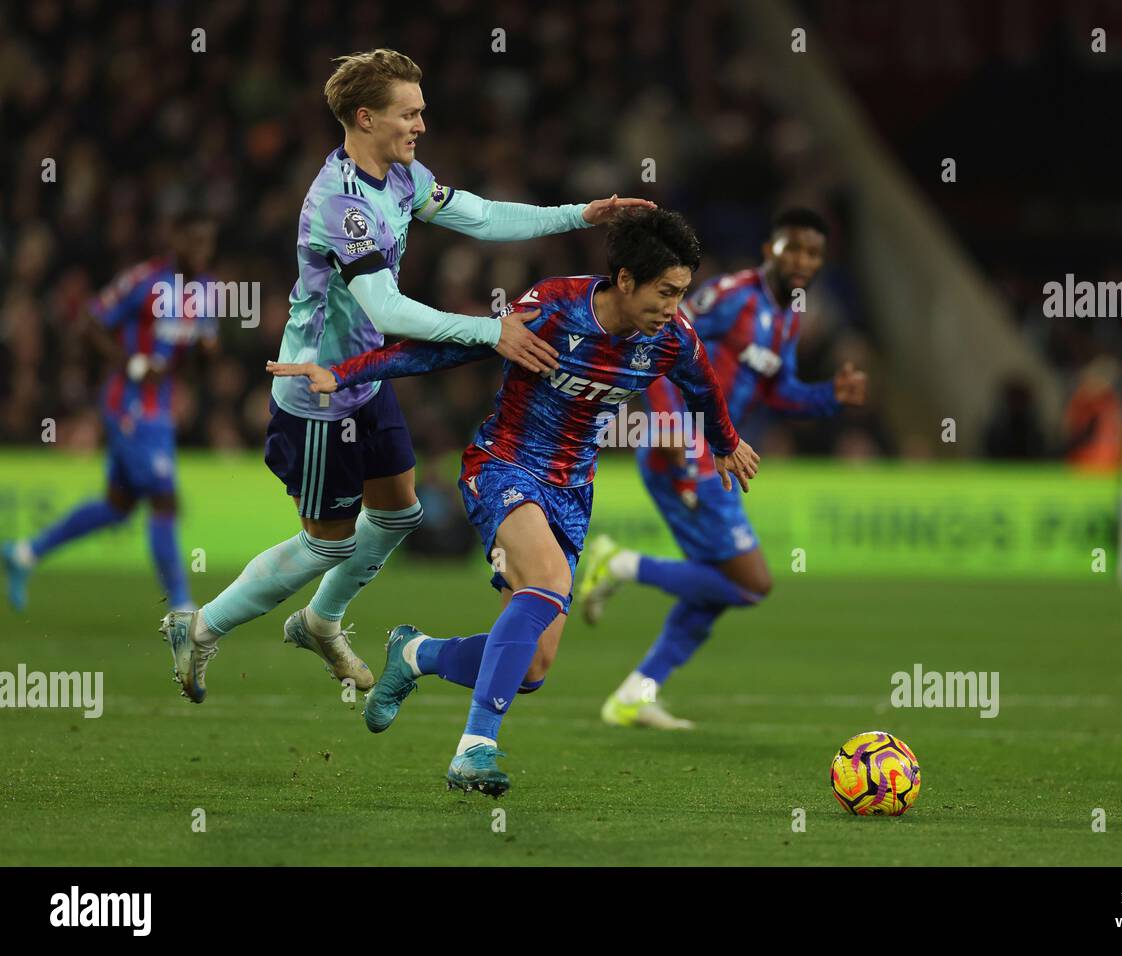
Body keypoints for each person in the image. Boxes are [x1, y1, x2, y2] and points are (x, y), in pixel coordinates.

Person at [160, 49, 652, 703]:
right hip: (319, 395)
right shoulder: (341, 204)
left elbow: (475, 214)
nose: (421, 124)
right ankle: (200, 626)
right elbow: (385, 308)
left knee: (398, 514)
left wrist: (576, 215)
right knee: (327, 546)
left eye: (421, 111)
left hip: (366, 382)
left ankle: (319, 622)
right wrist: (491, 330)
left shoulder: (400, 177)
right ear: (366, 118)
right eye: (409, 113)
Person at [268, 209, 760, 796]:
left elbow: (702, 387)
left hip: (571, 492)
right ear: (626, 279)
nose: (674, 306)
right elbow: (447, 352)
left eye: (682, 293)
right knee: (547, 580)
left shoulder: (672, 339)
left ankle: (416, 653)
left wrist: (726, 445)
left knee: (532, 668)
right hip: (503, 467)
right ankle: (474, 750)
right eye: (666, 291)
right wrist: (345, 374)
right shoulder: (553, 307)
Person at [577, 208, 868, 729]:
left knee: (714, 589)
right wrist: (667, 426)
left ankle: (635, 694)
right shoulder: (732, 296)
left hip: (718, 455)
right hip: (684, 449)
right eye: (793, 248)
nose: (803, 260)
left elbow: (779, 392)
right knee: (752, 583)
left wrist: (830, 397)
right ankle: (618, 562)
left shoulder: (786, 316)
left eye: (814, 252)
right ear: (769, 249)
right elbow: (666, 345)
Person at [4, 211, 220, 614]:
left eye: (206, 243)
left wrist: (207, 354)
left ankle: (24, 553)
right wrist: (131, 362)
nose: (199, 250)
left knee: (118, 507)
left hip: (161, 407)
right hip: (128, 402)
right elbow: (89, 322)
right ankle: (182, 607)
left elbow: (195, 356)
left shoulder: (208, 290)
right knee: (164, 499)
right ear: (175, 240)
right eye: (192, 241)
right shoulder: (143, 280)